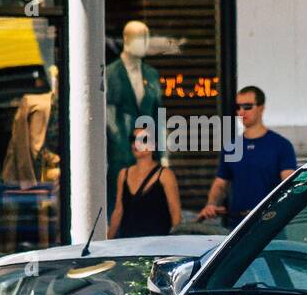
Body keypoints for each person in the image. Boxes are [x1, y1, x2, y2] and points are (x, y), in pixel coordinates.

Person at [198, 85, 297, 228]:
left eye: (247, 107)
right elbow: (220, 184)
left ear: (261, 107)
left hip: (270, 226)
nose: (241, 112)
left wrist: (271, 210)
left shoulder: (281, 145)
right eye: (238, 107)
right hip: (237, 227)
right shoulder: (232, 146)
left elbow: (289, 187)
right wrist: (211, 204)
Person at [106, 21, 163, 213]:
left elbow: (158, 114)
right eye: (140, 38)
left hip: (149, 156)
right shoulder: (110, 74)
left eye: (146, 38)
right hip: (120, 154)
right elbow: (109, 115)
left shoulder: (152, 74)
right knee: (119, 205)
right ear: (126, 40)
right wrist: (120, 144)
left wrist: (162, 152)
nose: (144, 43)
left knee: (149, 207)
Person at [108, 125, 182, 238]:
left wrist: (175, 246)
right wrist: (107, 244)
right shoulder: (123, 174)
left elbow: (175, 213)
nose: (136, 144)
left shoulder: (165, 175)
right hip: (128, 246)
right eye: (133, 139)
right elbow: (118, 211)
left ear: (154, 145)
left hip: (157, 247)